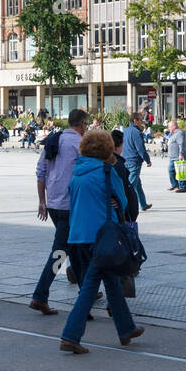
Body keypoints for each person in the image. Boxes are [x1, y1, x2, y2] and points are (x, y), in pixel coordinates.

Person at [59, 131, 143, 354]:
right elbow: (123, 201)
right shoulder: (107, 171)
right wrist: (114, 201)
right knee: (89, 288)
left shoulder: (76, 173)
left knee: (111, 281)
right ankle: (70, 335)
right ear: (107, 149)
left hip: (77, 237)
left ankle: (126, 329)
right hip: (101, 237)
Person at [30, 108, 86, 315]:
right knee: (61, 252)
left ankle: (86, 290)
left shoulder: (53, 140)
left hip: (53, 204)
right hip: (71, 206)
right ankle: (40, 294)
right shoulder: (79, 144)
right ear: (81, 124)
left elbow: (40, 172)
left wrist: (41, 201)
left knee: (75, 248)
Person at [121, 111, 152, 211]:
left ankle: (143, 204)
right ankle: (124, 206)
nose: (142, 121)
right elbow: (141, 149)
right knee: (130, 186)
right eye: (140, 119)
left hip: (125, 160)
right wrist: (147, 160)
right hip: (134, 162)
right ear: (135, 121)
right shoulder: (137, 132)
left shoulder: (125, 131)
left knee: (137, 184)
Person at [167, 119, 186, 192]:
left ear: (174, 126)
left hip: (178, 156)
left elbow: (181, 144)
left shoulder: (179, 133)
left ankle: (182, 187)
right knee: (171, 170)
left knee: (180, 171)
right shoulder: (174, 133)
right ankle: (175, 185)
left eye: (169, 127)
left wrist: (181, 154)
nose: (169, 128)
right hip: (173, 156)